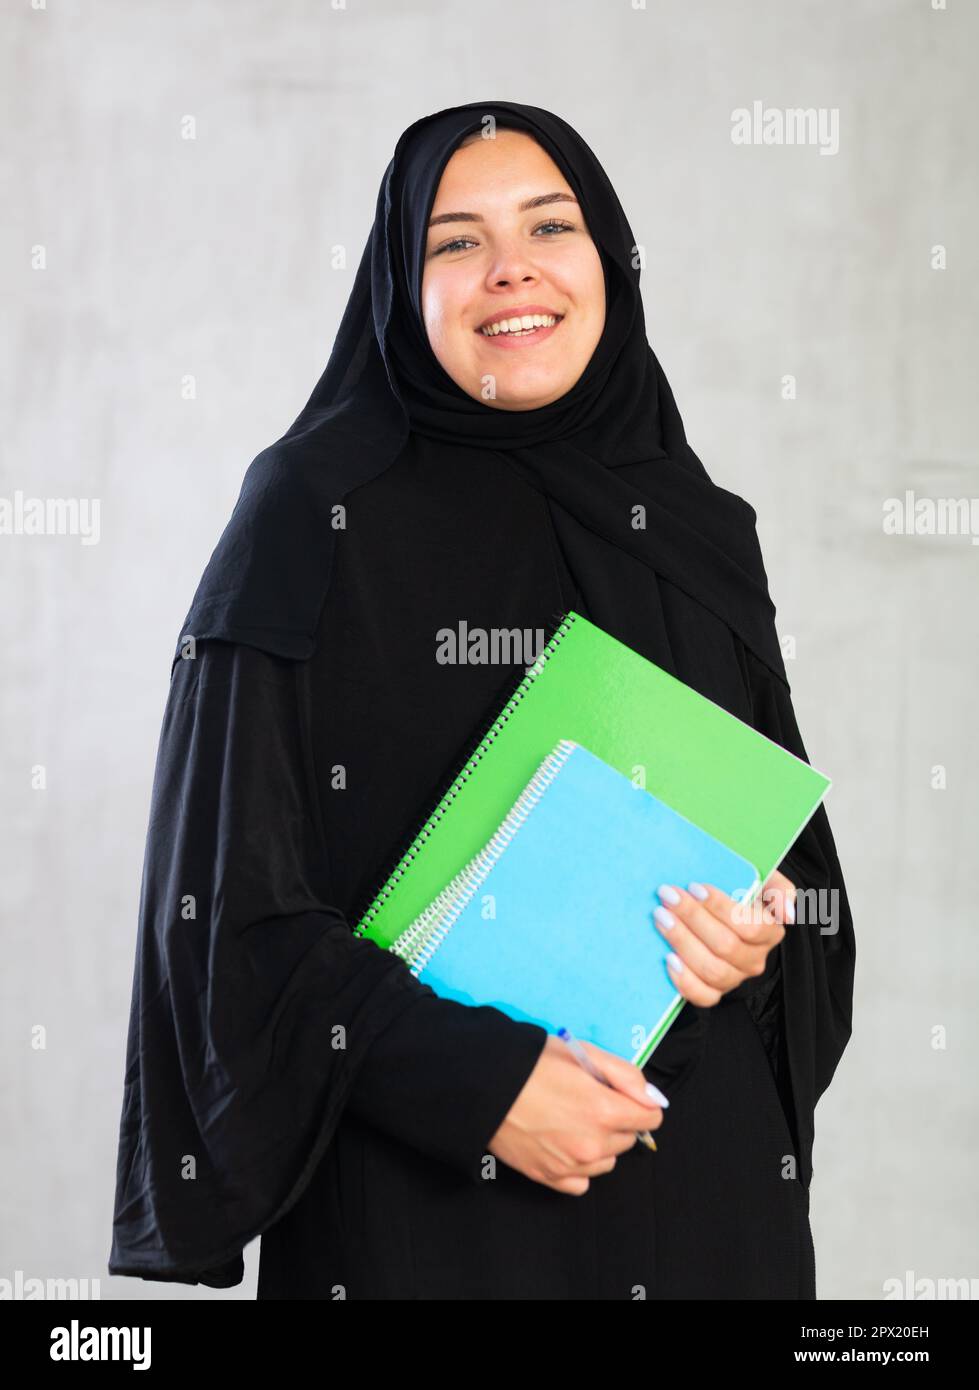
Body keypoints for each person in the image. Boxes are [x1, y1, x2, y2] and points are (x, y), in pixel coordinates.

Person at [107, 100, 855, 1300]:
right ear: (401, 286)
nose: (510, 268)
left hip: (704, 1211)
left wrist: (758, 933)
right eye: (455, 241)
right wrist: (481, 1085)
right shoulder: (310, 510)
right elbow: (221, 921)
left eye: (549, 226)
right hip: (420, 1224)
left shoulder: (700, 530)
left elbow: (802, 891)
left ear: (607, 259)